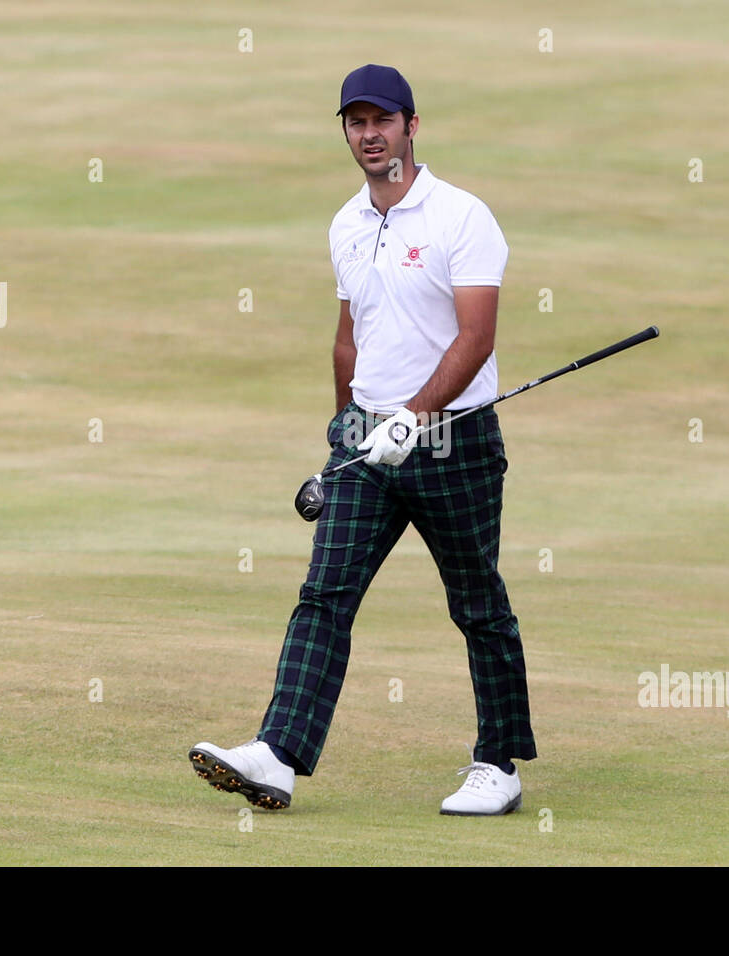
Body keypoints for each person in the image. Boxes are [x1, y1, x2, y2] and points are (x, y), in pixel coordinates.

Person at [189, 64, 536, 815]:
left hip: (454, 440)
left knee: (478, 603)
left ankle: (497, 766)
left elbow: (476, 338)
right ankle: (278, 754)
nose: (370, 135)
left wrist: (416, 413)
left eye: (383, 121)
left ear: (413, 126)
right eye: (356, 122)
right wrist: (348, 425)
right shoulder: (347, 222)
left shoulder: (462, 217)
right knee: (324, 593)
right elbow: (350, 338)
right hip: (368, 449)